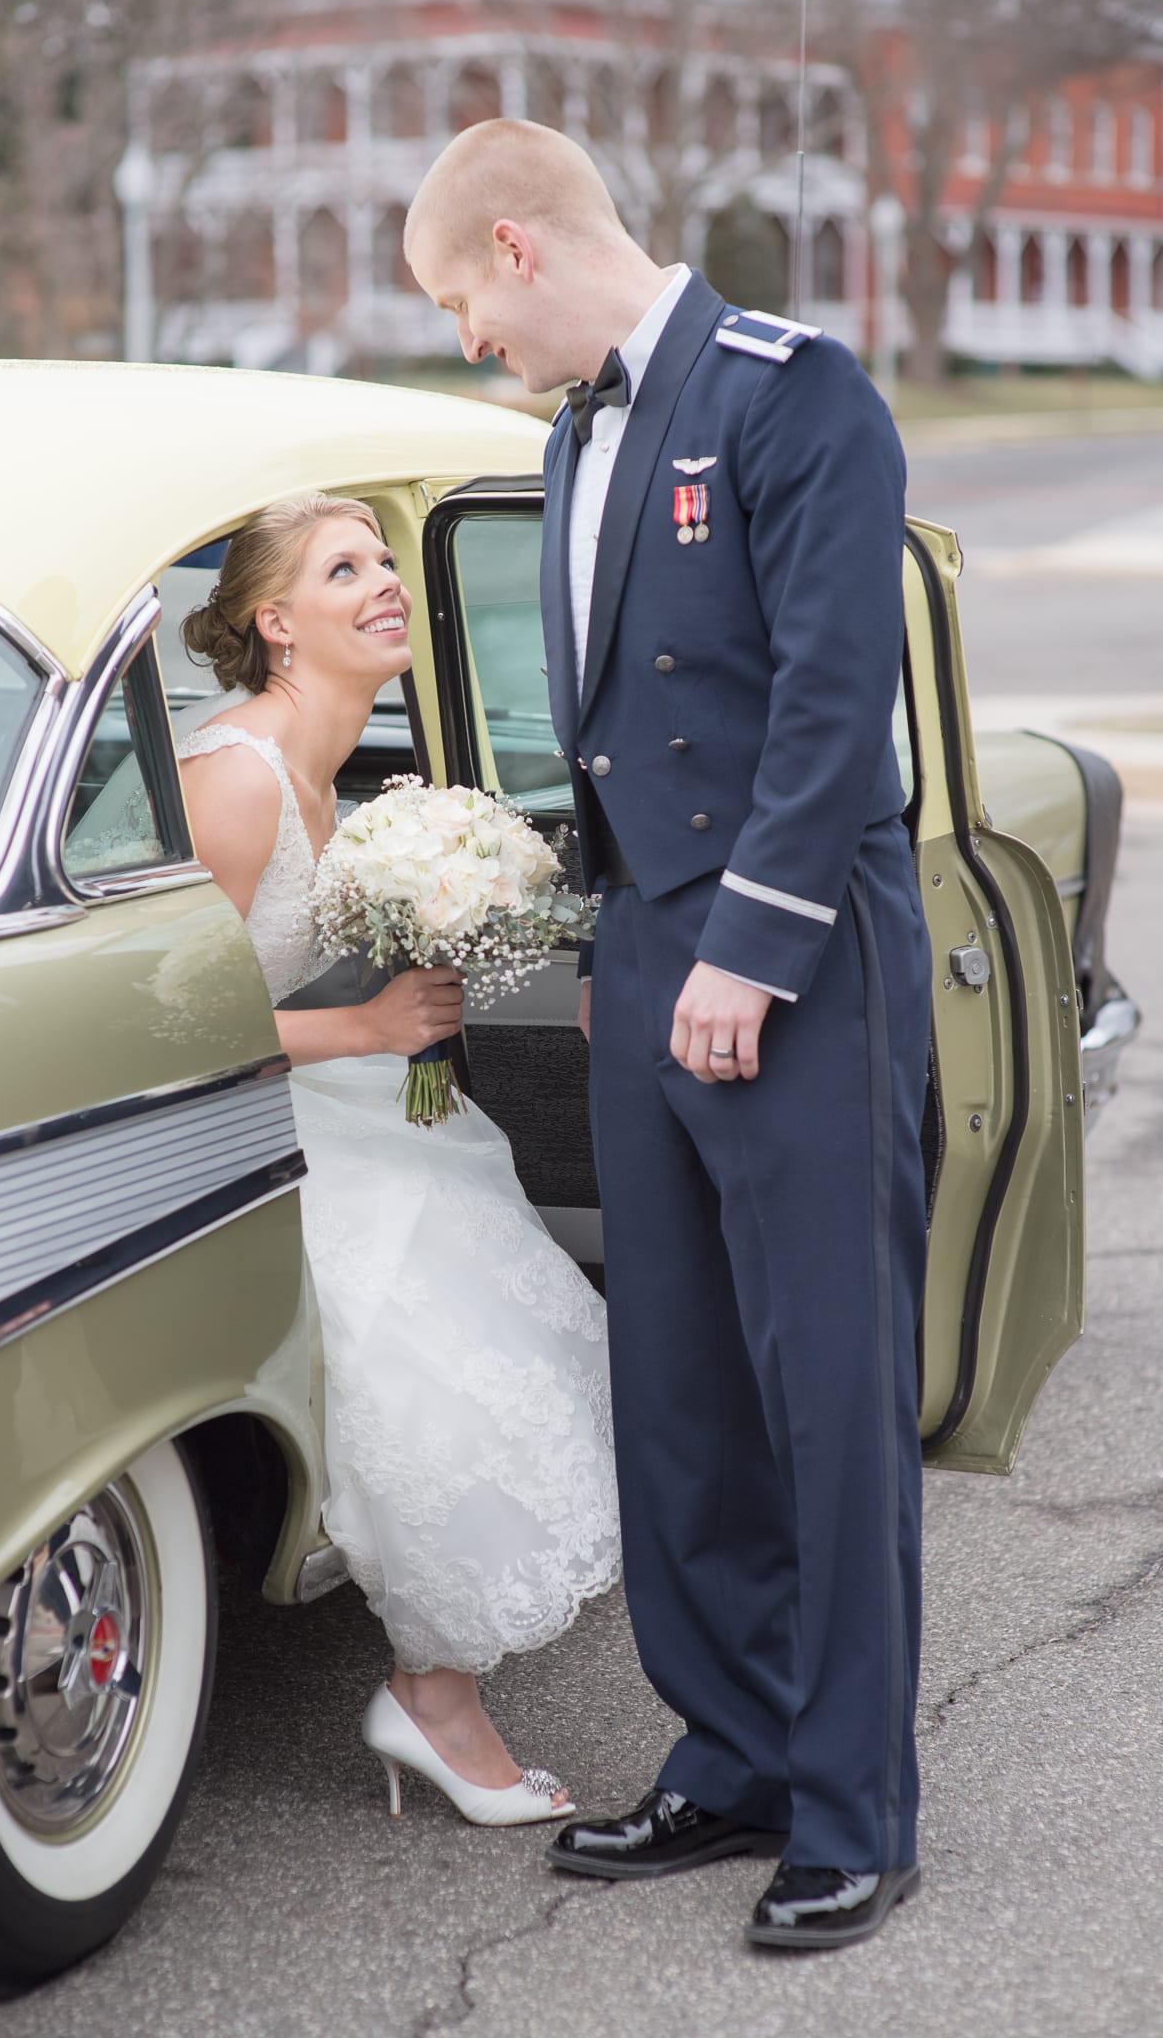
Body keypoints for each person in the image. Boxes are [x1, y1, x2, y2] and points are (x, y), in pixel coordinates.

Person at [406, 119, 929, 1949]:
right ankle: (731, 1755)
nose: (471, 340)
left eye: (464, 301)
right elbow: (617, 727)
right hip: (646, 954)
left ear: (523, 249)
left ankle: (854, 1804)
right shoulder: (568, 439)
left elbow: (830, 699)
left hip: (793, 961)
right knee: (683, 1393)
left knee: (828, 1397)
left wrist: (751, 952)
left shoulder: (798, 395)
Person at [175, 490, 619, 1828]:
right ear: (276, 622)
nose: (384, 584)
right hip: (232, 1124)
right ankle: (434, 1700)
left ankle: (432, 1689)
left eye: (385, 561)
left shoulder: (336, 767)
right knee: (440, 1344)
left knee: (508, 1309)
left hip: (335, 1098)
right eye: (346, 566)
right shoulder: (238, 775)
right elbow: (159, 1018)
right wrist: (366, 1022)